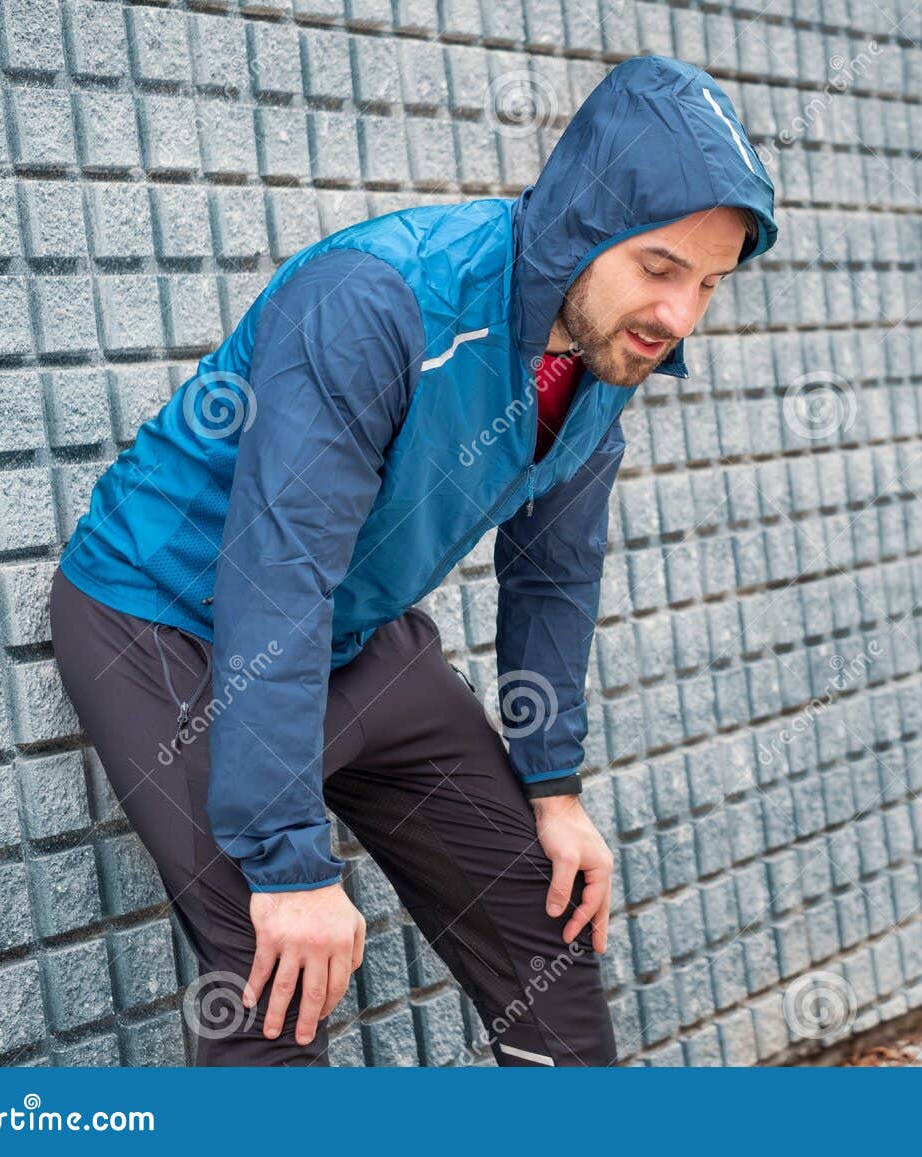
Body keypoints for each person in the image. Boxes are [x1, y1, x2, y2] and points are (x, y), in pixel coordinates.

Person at [48, 54, 778, 1066]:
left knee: (545, 920)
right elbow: (278, 569)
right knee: (273, 981)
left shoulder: (607, 353)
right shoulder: (378, 297)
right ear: (582, 223)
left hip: (349, 630)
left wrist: (552, 784)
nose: (679, 315)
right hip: (165, 619)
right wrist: (290, 863)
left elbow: (552, 573)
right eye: (659, 267)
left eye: (709, 283)